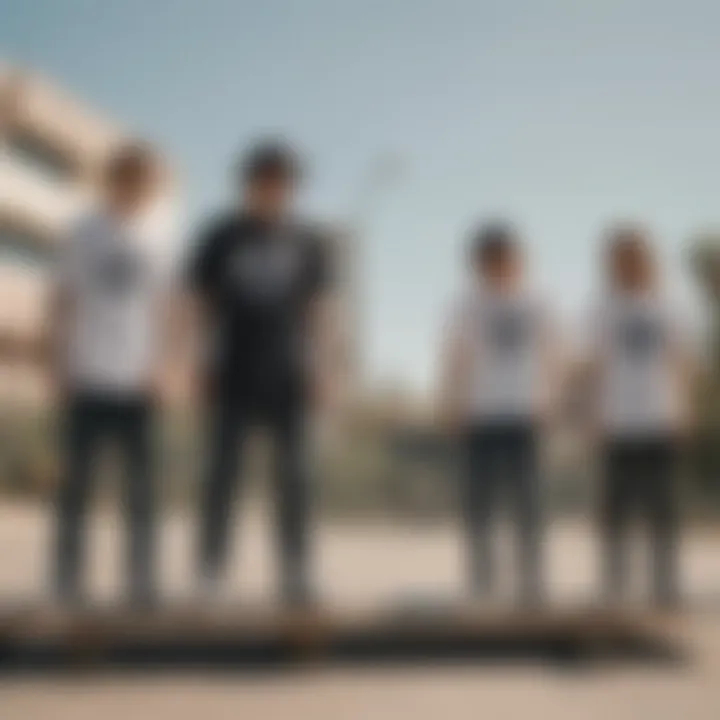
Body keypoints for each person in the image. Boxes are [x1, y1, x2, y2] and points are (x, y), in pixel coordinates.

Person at [186, 139, 339, 607]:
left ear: (290, 188)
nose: (271, 190)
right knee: (222, 477)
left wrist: (325, 371)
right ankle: (211, 572)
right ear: (247, 185)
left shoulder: (308, 241)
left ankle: (296, 574)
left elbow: (321, 313)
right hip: (231, 371)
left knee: (295, 480)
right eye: (262, 181)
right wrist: (194, 362)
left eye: (280, 182)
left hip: (290, 375)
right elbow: (198, 307)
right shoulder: (221, 236)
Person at [50, 142, 175, 608]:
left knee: (141, 491)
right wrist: (58, 364)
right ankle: (67, 581)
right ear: (115, 180)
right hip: (87, 375)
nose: (140, 189)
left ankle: (141, 583)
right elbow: (64, 298)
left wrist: (165, 366)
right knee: (77, 487)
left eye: (148, 182)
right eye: (132, 179)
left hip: (139, 381)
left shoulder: (160, 233)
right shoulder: (85, 231)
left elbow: (166, 308)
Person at [438, 222, 557, 605]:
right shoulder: (466, 305)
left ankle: (531, 581)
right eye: (490, 260)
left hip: (525, 412)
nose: (498, 266)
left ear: (518, 259)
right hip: (481, 413)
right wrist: (453, 405)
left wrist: (551, 400)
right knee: (480, 503)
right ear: (479, 263)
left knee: (529, 501)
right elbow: (455, 359)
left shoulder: (537, 301)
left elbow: (555, 355)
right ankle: (483, 581)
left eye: (505, 258)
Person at [584, 225, 695, 608]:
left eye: (636, 258)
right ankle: (615, 586)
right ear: (612, 264)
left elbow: (681, 363)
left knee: (663, 509)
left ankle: (665, 586)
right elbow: (592, 366)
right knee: (615, 510)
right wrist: (592, 413)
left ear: (648, 261)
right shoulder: (601, 308)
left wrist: (684, 410)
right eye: (621, 259)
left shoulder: (668, 306)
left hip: (659, 418)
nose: (629, 266)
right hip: (616, 421)